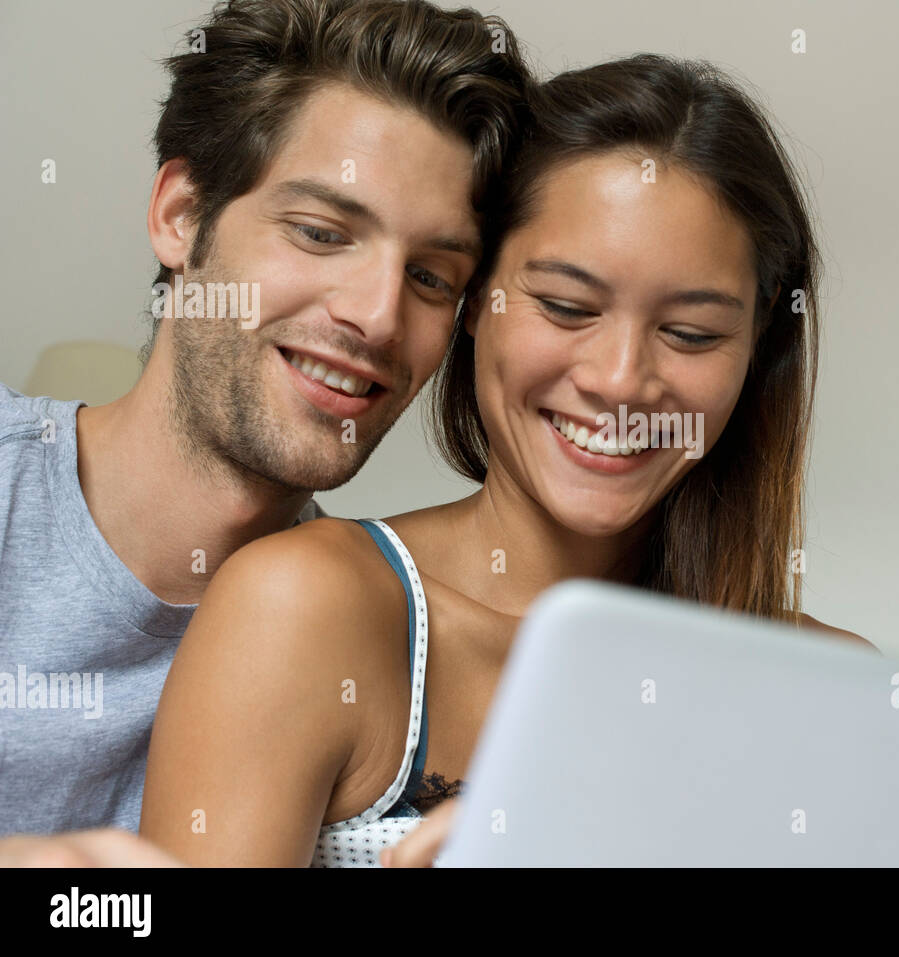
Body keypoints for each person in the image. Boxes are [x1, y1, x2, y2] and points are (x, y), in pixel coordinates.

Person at [138, 53, 875, 868]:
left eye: (691, 332)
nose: (620, 379)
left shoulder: (831, 687)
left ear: (755, 345)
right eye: (566, 306)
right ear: (472, 302)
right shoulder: (309, 605)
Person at [0, 0, 530, 859]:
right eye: (322, 233)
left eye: (431, 277)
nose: (377, 317)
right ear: (180, 215)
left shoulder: (356, 648)